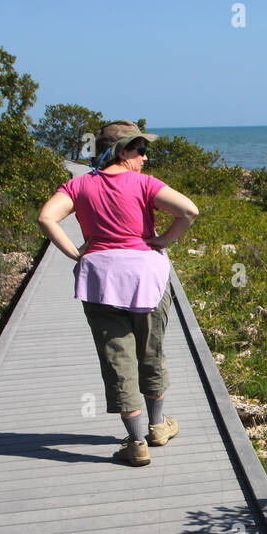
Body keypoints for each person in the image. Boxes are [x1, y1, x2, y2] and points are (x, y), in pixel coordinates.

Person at [37, 120, 201, 465]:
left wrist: (76, 253)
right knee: (151, 349)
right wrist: (165, 239)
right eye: (140, 149)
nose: (144, 156)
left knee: (117, 358)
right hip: (147, 279)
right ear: (123, 151)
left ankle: (136, 442)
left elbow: (46, 218)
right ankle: (158, 426)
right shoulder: (143, 183)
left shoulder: (78, 185)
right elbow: (189, 211)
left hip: (101, 280)